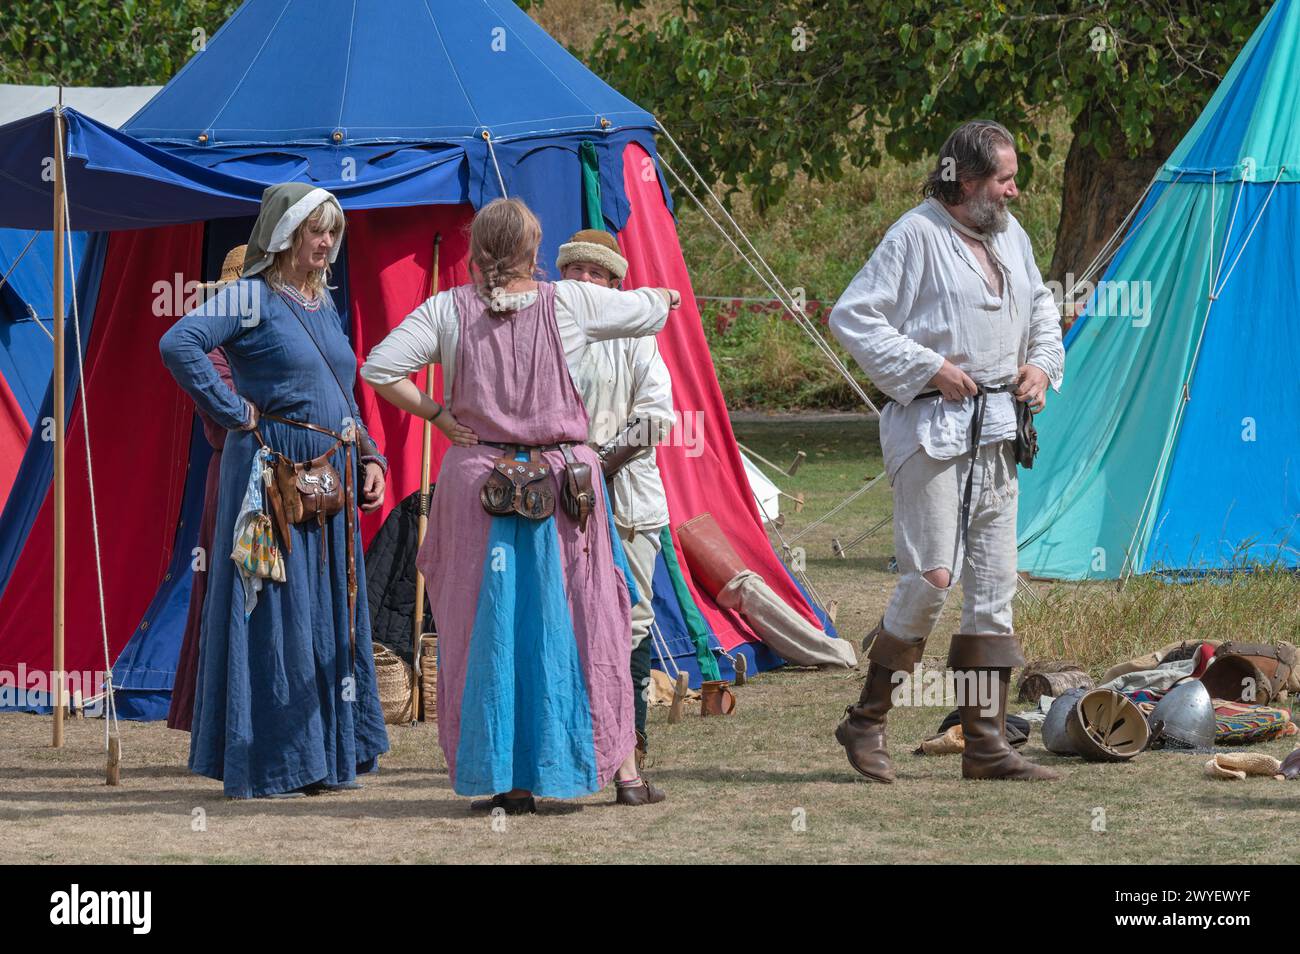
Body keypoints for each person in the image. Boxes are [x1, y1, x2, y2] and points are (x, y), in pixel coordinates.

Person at [360, 198, 680, 813]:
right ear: (534, 253)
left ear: (475, 250)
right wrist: (665, 297)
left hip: (482, 486)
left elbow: (380, 367)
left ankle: (511, 780)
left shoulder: (446, 311)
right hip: (561, 489)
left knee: (491, 630)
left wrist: (437, 415)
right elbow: (646, 311)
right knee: (588, 623)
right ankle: (620, 775)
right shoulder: (571, 301)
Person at [827, 120, 1065, 782]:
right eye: (1004, 179)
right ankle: (866, 720)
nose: (1015, 192)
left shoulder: (1009, 237)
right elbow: (854, 315)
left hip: (996, 428)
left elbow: (1042, 308)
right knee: (932, 578)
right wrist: (929, 366)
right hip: (933, 428)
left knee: (993, 590)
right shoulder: (916, 235)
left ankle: (984, 742)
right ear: (965, 180)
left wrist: (1041, 366)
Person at [160, 183, 390, 797]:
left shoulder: (321, 304)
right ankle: (273, 761)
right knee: (276, 610)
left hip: (327, 475)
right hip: (272, 477)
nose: (326, 242)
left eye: (333, 232)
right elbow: (177, 342)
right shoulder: (251, 297)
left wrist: (371, 455)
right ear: (285, 235)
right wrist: (233, 411)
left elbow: (340, 393)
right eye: (316, 230)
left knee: (326, 613)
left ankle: (324, 755)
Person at [556, 229, 674, 802]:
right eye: (573, 271)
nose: (582, 281)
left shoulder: (639, 335)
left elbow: (657, 415)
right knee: (562, 614)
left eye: (594, 274)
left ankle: (633, 743)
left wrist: (598, 466)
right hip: (556, 495)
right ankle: (572, 741)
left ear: (614, 285)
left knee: (630, 617)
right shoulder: (545, 331)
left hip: (624, 495)